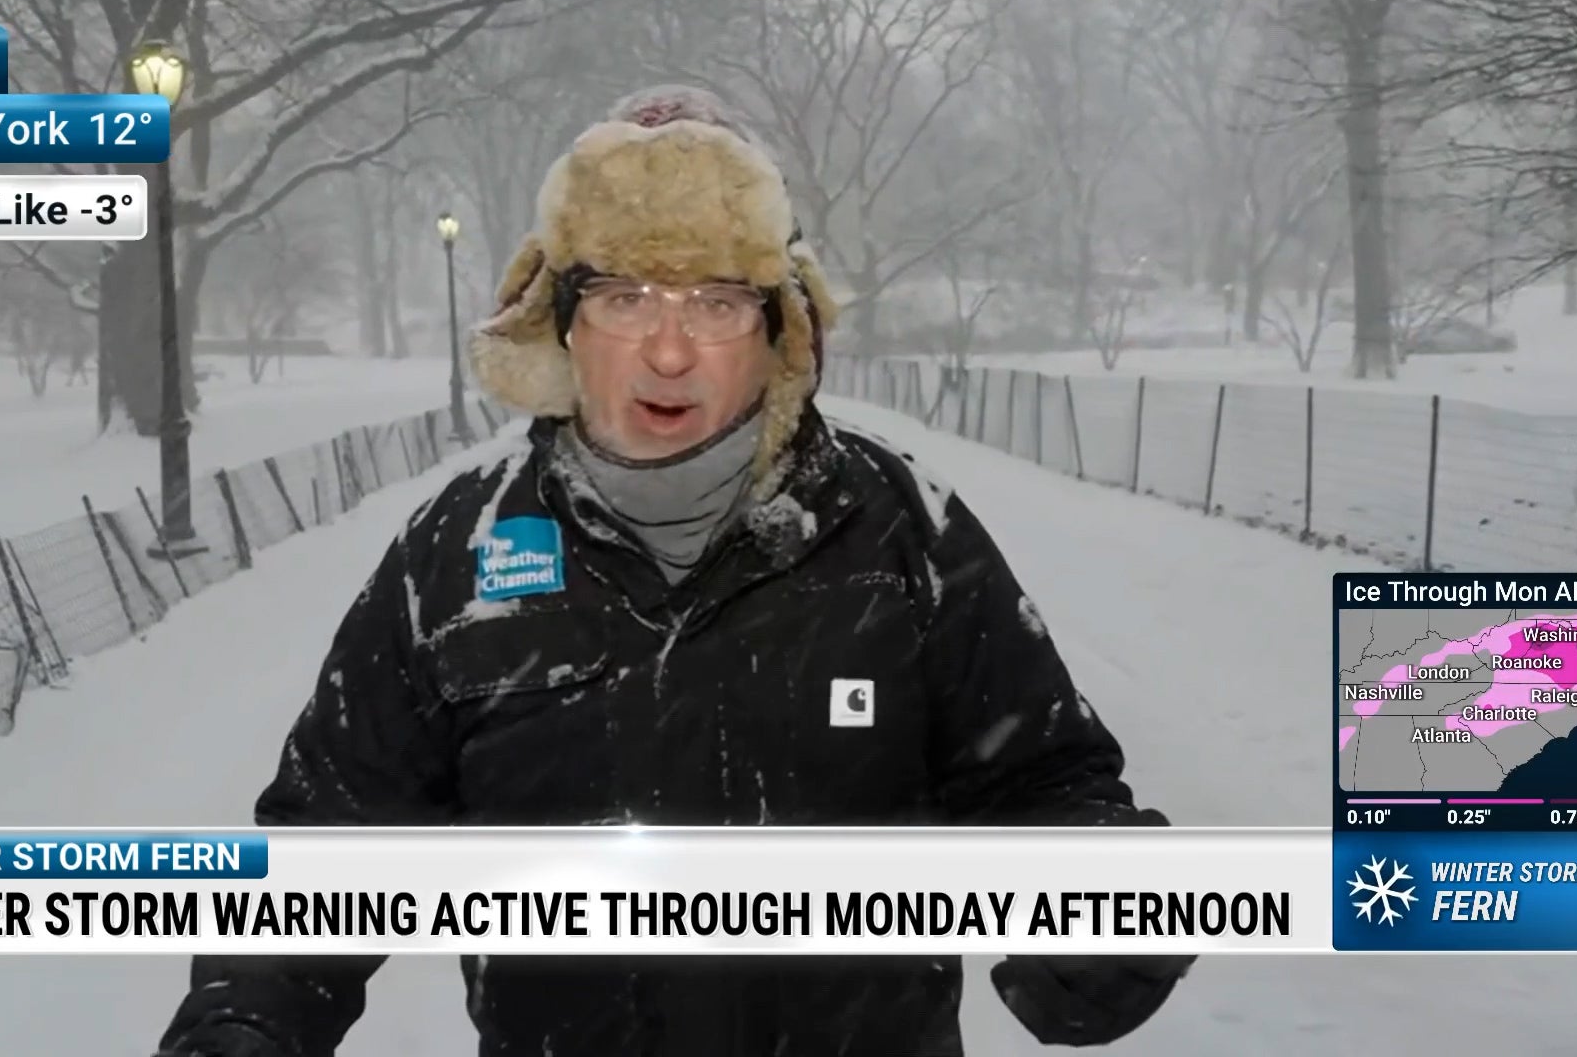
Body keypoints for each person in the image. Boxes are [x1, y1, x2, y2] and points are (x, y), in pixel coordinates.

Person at [155, 85, 1192, 1057]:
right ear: (562, 319)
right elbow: (326, 850)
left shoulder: (900, 532)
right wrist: (243, 1021)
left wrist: (1095, 896)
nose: (667, 349)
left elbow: (1043, 778)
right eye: (625, 295)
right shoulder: (455, 557)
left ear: (779, 324)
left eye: (714, 301)